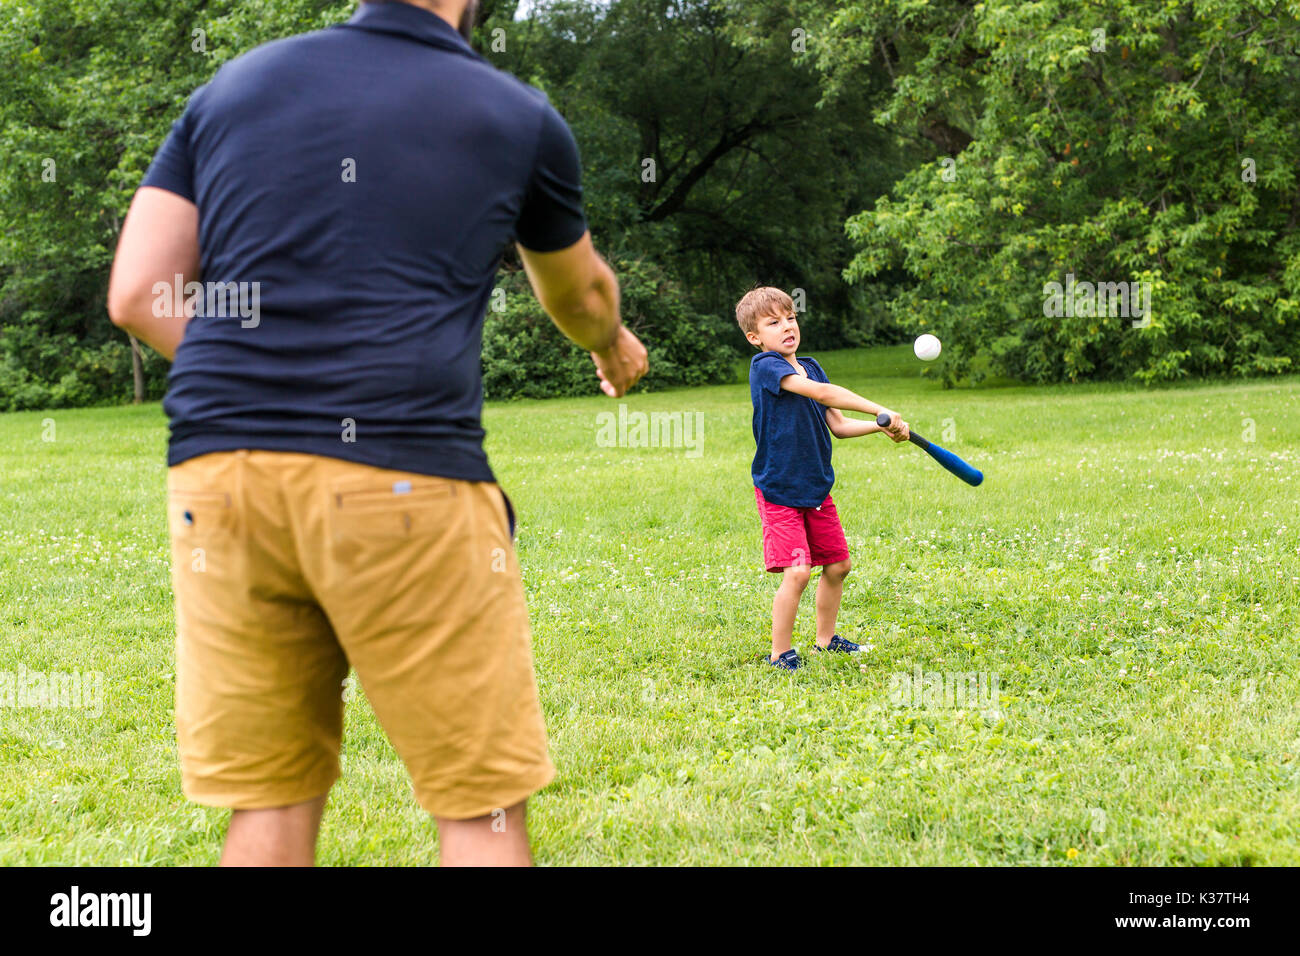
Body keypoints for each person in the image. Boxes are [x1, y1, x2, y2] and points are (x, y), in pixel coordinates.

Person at [106, 0, 648, 866]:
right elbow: (578, 295)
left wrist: (259, 373)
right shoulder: (512, 113)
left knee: (269, 805)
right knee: (482, 813)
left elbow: (138, 293)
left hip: (221, 479)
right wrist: (613, 345)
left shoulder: (234, 87)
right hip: (404, 474)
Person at [736, 287, 908, 670]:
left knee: (838, 566)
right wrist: (880, 407)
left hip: (815, 488)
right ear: (755, 337)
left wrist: (879, 427)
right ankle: (780, 654)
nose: (787, 327)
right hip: (780, 490)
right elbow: (819, 393)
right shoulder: (766, 366)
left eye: (791, 318)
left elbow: (840, 425)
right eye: (773, 322)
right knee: (797, 571)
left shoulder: (811, 365)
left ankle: (825, 641)